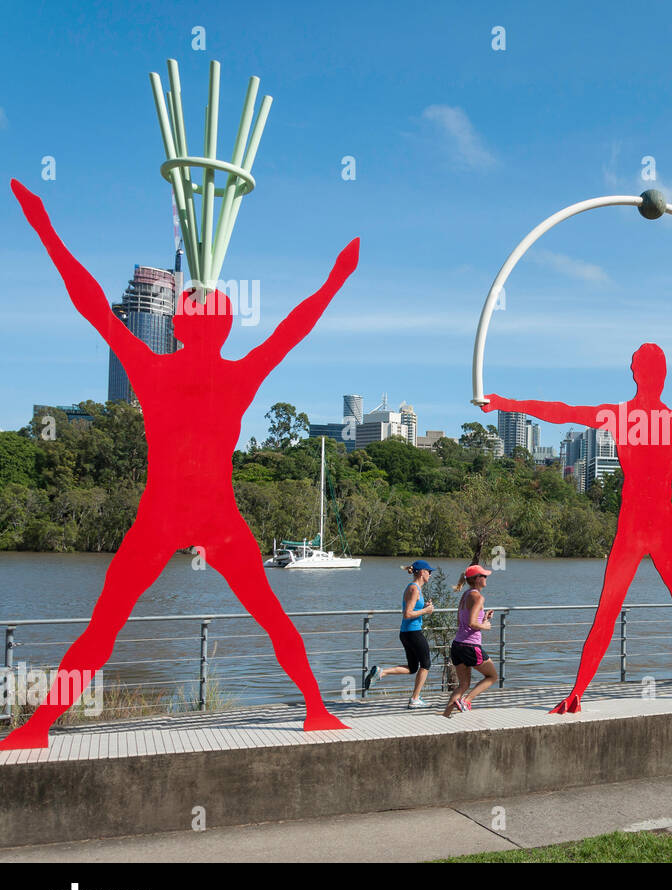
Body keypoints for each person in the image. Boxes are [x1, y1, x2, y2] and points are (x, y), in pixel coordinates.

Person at [1, 180, 357, 750]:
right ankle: (315, 710)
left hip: (164, 518)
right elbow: (296, 327)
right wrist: (337, 278)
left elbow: (89, 301)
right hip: (215, 521)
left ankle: (39, 727)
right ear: (220, 327)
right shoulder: (238, 376)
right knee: (270, 618)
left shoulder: (152, 368)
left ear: (182, 326)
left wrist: (44, 226)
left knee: (105, 626)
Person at [483, 342, 672, 713]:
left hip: (637, 528)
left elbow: (560, 412)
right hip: (657, 527)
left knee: (609, 612)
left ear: (635, 373)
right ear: (660, 376)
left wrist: (503, 401)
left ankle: (583, 691)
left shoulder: (621, 415)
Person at [365, 561, 438, 708]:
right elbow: (407, 614)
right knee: (426, 664)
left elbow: (412, 608)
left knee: (412, 668)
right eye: (428, 571)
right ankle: (415, 699)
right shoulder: (414, 589)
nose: (430, 574)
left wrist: (423, 606)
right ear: (421, 572)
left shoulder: (416, 589)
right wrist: (426, 611)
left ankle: (381, 672)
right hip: (413, 633)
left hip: (408, 633)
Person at [444, 565, 499, 716]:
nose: (486, 578)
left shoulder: (466, 594)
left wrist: (484, 617)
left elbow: (462, 620)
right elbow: (472, 623)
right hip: (470, 646)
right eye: (484, 576)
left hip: (457, 645)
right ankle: (467, 701)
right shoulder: (478, 597)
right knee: (492, 676)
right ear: (476, 579)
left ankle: (445, 716)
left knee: (463, 684)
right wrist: (486, 626)